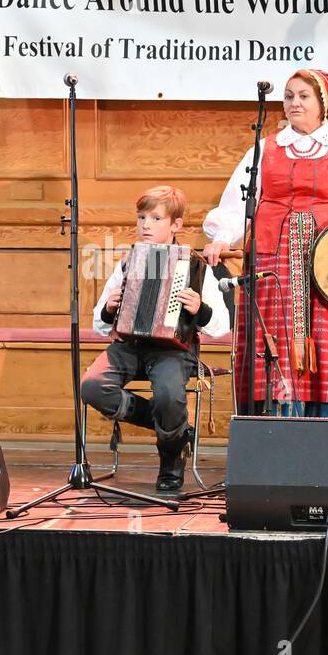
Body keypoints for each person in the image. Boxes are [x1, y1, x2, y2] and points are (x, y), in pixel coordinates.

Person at [203, 68, 328, 418]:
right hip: (276, 257)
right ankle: (275, 424)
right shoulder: (266, 149)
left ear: (323, 104)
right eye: (289, 96)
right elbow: (237, 205)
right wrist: (221, 237)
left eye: (303, 96)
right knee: (275, 338)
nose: (294, 103)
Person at [81, 186, 230, 491]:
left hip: (173, 351)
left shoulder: (197, 266)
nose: (145, 225)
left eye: (156, 218)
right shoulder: (128, 262)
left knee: (168, 394)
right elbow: (99, 321)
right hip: (129, 346)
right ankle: (175, 431)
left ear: (176, 225)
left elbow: (221, 325)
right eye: (141, 217)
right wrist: (110, 308)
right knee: (93, 387)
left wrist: (198, 309)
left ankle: (171, 460)